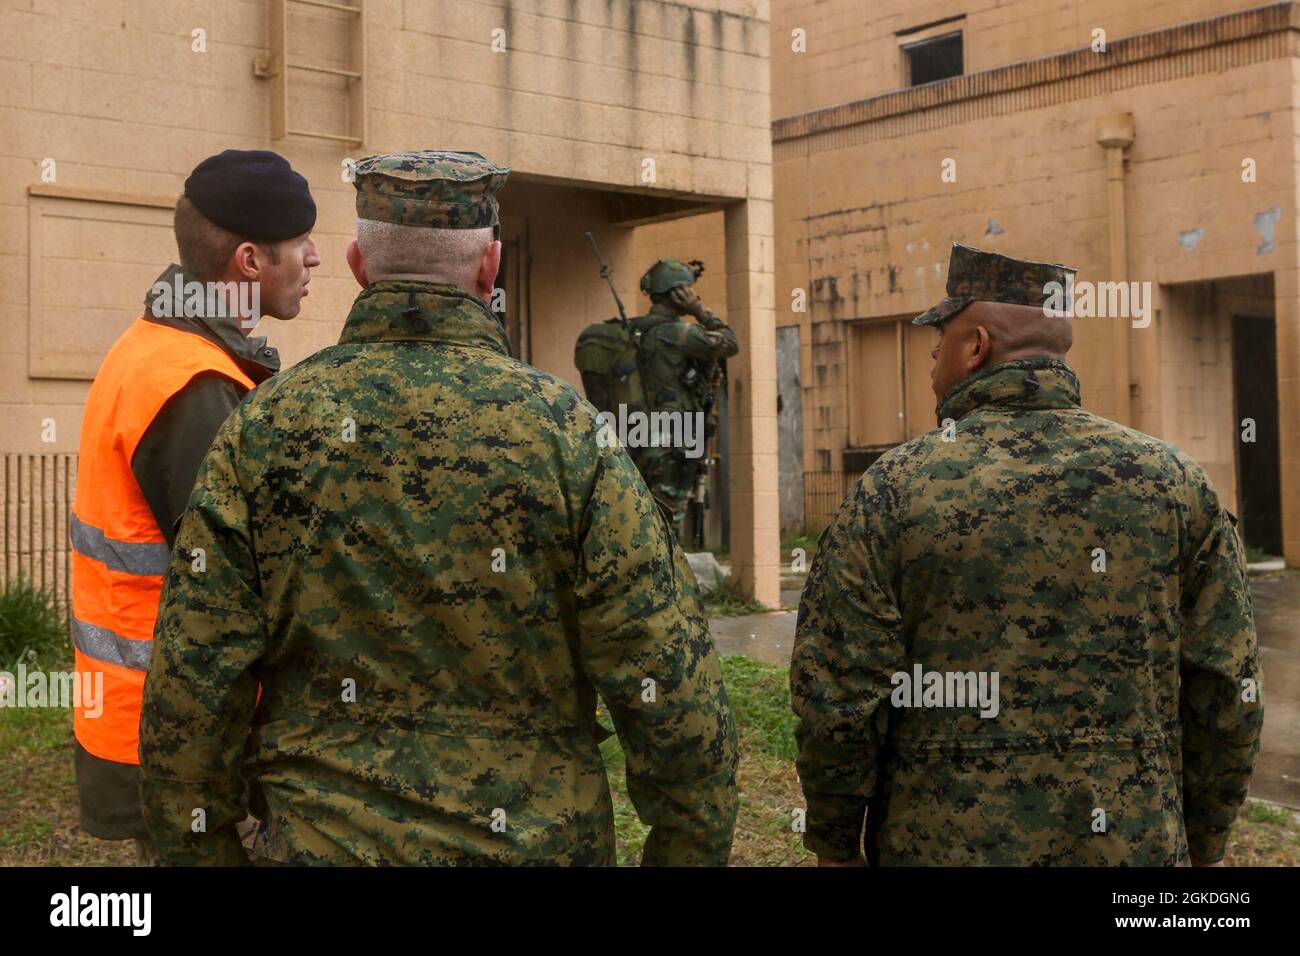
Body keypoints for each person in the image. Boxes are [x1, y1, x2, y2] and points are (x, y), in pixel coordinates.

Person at [139, 150, 739, 866]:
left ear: (361, 265)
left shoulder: (263, 429)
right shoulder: (569, 436)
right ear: (490, 269)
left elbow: (194, 686)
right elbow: (674, 694)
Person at [791, 242, 1264, 866]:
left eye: (940, 342)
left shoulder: (894, 488)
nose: (933, 360)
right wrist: (1205, 843)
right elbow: (1229, 687)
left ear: (976, 346)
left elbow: (839, 693)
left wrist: (834, 842)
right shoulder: (1173, 481)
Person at [70, 149, 318, 861]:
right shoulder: (192, 385)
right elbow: (240, 591)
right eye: (300, 243)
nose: (316, 258)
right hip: (191, 738)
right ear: (249, 261)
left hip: (146, 718)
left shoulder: (152, 348)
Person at [630, 260, 738, 536]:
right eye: (687, 290)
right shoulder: (678, 333)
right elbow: (729, 342)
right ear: (677, 293)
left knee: (641, 516)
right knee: (666, 521)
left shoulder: (634, 331)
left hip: (636, 431)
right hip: (674, 438)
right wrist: (699, 310)